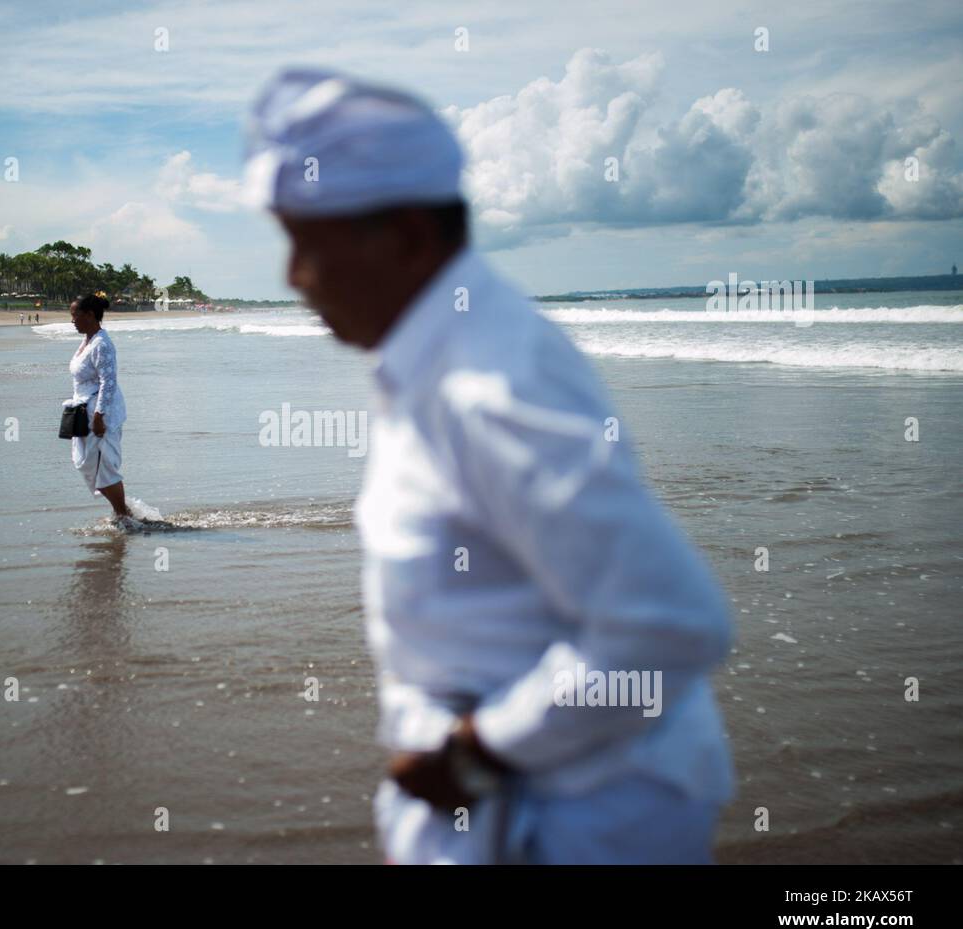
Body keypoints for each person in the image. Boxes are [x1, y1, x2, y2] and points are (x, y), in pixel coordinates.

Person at [245, 68, 735, 864]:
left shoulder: (489, 388)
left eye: (306, 243)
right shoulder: (439, 362)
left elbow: (670, 622)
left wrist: (480, 748)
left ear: (404, 235)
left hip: (579, 821)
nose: (293, 278)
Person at [67, 292, 134, 525]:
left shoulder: (102, 344)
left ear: (90, 315)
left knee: (104, 465)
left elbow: (109, 381)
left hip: (101, 413)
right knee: (88, 463)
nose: (72, 320)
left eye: (75, 316)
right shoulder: (87, 340)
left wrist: (99, 416)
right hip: (85, 410)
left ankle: (123, 516)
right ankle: (124, 512)